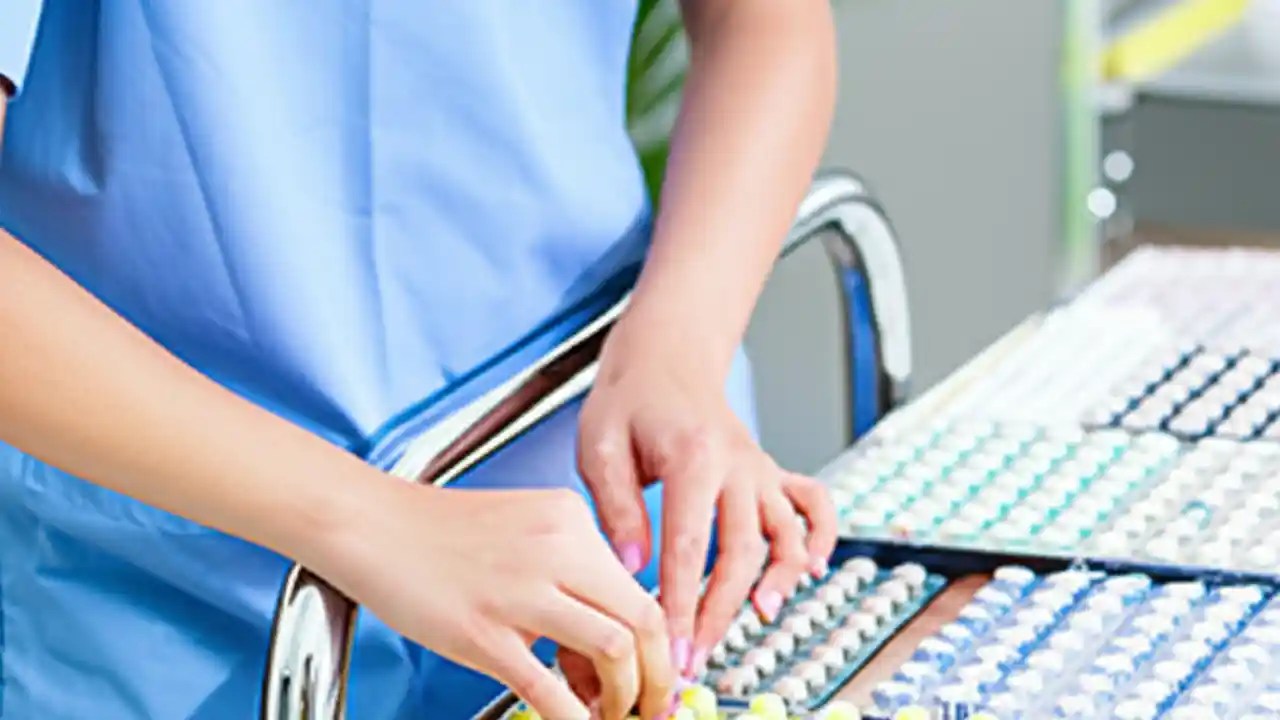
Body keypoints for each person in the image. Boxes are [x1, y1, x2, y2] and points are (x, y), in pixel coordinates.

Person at [0, 2, 837, 718]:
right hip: (184, 601)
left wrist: (682, 347)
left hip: (612, 534)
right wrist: (364, 520)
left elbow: (766, 22)